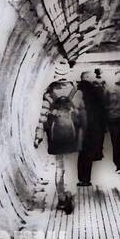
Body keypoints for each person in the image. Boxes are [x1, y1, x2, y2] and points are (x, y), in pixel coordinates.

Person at [34, 77, 85, 212]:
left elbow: (43, 117)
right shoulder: (77, 92)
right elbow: (82, 117)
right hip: (72, 137)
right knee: (72, 168)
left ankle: (61, 198)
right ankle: (70, 195)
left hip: (55, 137)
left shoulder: (49, 93)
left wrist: (38, 135)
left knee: (59, 168)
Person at [76, 70, 107, 187]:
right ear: (86, 77)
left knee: (82, 152)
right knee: (88, 153)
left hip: (82, 126)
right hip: (93, 126)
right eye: (91, 77)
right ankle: (85, 179)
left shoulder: (78, 91)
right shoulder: (94, 91)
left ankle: (82, 178)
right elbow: (102, 109)